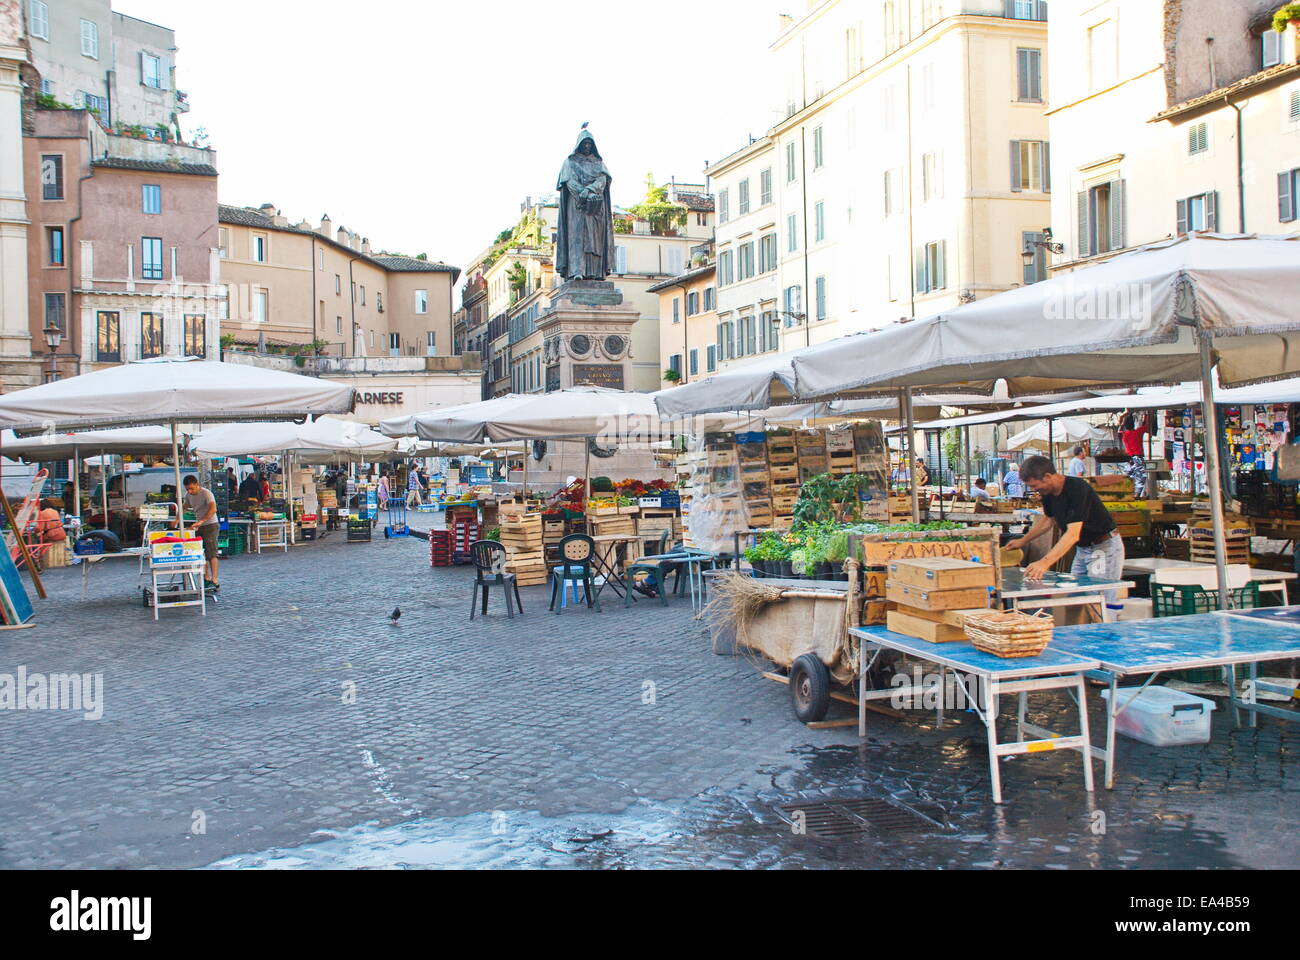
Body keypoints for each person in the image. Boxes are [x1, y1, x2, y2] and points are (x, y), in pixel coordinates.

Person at [1006, 455, 1124, 612]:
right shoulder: (1047, 493)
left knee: (1099, 598)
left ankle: (1107, 632)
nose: (1034, 490)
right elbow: (1049, 520)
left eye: (1035, 485)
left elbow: (1072, 534)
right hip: (1083, 549)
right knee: (1076, 594)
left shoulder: (1077, 488)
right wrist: (1023, 540)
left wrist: (1045, 563)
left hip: (1103, 546)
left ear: (1048, 476)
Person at [179, 474, 221, 591]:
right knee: (201, 553)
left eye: (191, 488)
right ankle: (206, 578)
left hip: (211, 525)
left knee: (211, 552)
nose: (190, 491)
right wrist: (177, 519)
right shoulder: (188, 495)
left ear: (197, 484)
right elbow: (184, 507)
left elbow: (213, 509)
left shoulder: (206, 493)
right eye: (187, 489)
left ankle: (214, 579)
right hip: (199, 526)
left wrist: (202, 520)